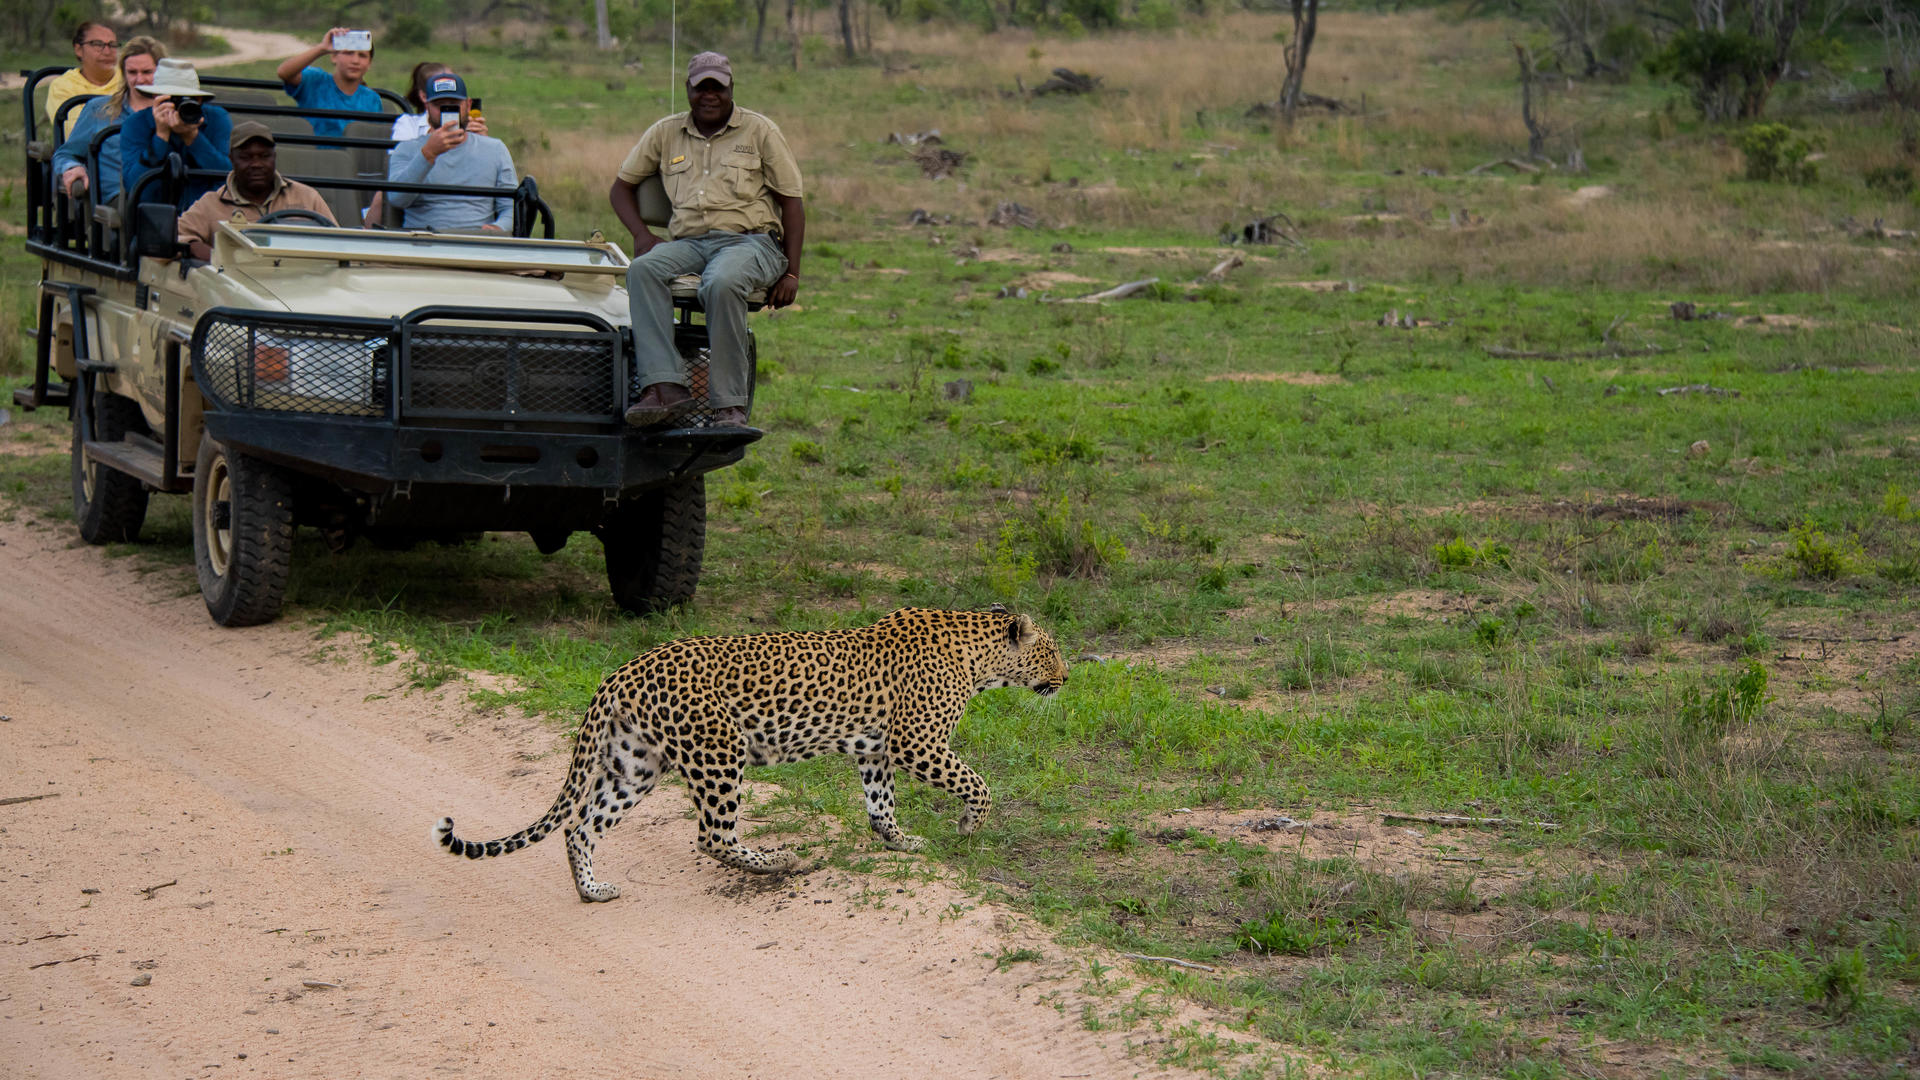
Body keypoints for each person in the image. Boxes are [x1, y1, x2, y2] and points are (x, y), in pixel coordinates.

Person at [609, 52, 804, 431]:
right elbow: (621, 188)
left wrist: (792, 272)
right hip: (690, 242)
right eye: (702, 88)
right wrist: (641, 235)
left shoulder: (760, 131)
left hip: (751, 243)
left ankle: (728, 406)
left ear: (731, 89)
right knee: (643, 269)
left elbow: (792, 204)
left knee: (722, 281)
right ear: (689, 90)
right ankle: (664, 386)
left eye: (718, 87)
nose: (709, 95)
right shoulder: (666, 132)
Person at [177, 122, 336, 261]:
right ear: (231, 159)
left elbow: (338, 244)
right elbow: (173, 238)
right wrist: (203, 251)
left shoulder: (306, 196)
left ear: (274, 157)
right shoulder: (211, 204)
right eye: (246, 157)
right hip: (239, 288)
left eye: (264, 156)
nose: (256, 164)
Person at [385, 72, 516, 233]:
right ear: (427, 107)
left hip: (477, 241)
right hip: (423, 241)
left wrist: (499, 227)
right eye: (439, 105)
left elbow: (511, 207)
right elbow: (397, 199)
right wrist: (428, 155)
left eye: (454, 104)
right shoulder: (407, 149)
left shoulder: (495, 149)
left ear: (468, 105)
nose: (446, 112)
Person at [365, 62, 490, 226]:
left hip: (461, 189)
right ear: (425, 97)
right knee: (384, 194)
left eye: (454, 100)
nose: (447, 96)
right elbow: (399, 164)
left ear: (466, 103)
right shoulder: (408, 124)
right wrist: (432, 145)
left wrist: (480, 142)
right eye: (438, 88)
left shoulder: (483, 139)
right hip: (420, 187)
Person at [53, 36, 164, 201]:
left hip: (170, 196)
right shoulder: (100, 110)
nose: (139, 80)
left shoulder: (176, 111)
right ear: (123, 73)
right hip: (121, 200)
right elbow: (65, 154)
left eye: (147, 72)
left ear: (161, 72)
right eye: (132, 72)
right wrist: (74, 168)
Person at [118, 58, 231, 212]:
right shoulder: (136, 124)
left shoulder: (216, 119)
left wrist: (193, 137)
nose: (178, 107)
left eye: (187, 99)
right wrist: (160, 136)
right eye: (172, 99)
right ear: (156, 97)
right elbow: (134, 186)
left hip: (205, 214)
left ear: (199, 100)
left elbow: (226, 178)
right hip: (153, 217)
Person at [275, 26, 381, 140]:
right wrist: (322, 48)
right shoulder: (315, 81)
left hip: (353, 157)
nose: (355, 61)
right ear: (334, 57)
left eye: (362, 56)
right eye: (348, 53)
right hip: (314, 155)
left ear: (369, 63)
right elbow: (284, 72)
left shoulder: (372, 99)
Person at [45, 21, 123, 139]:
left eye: (112, 45)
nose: (107, 52)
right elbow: (76, 135)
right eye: (97, 44)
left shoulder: (130, 78)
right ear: (79, 50)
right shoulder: (63, 86)